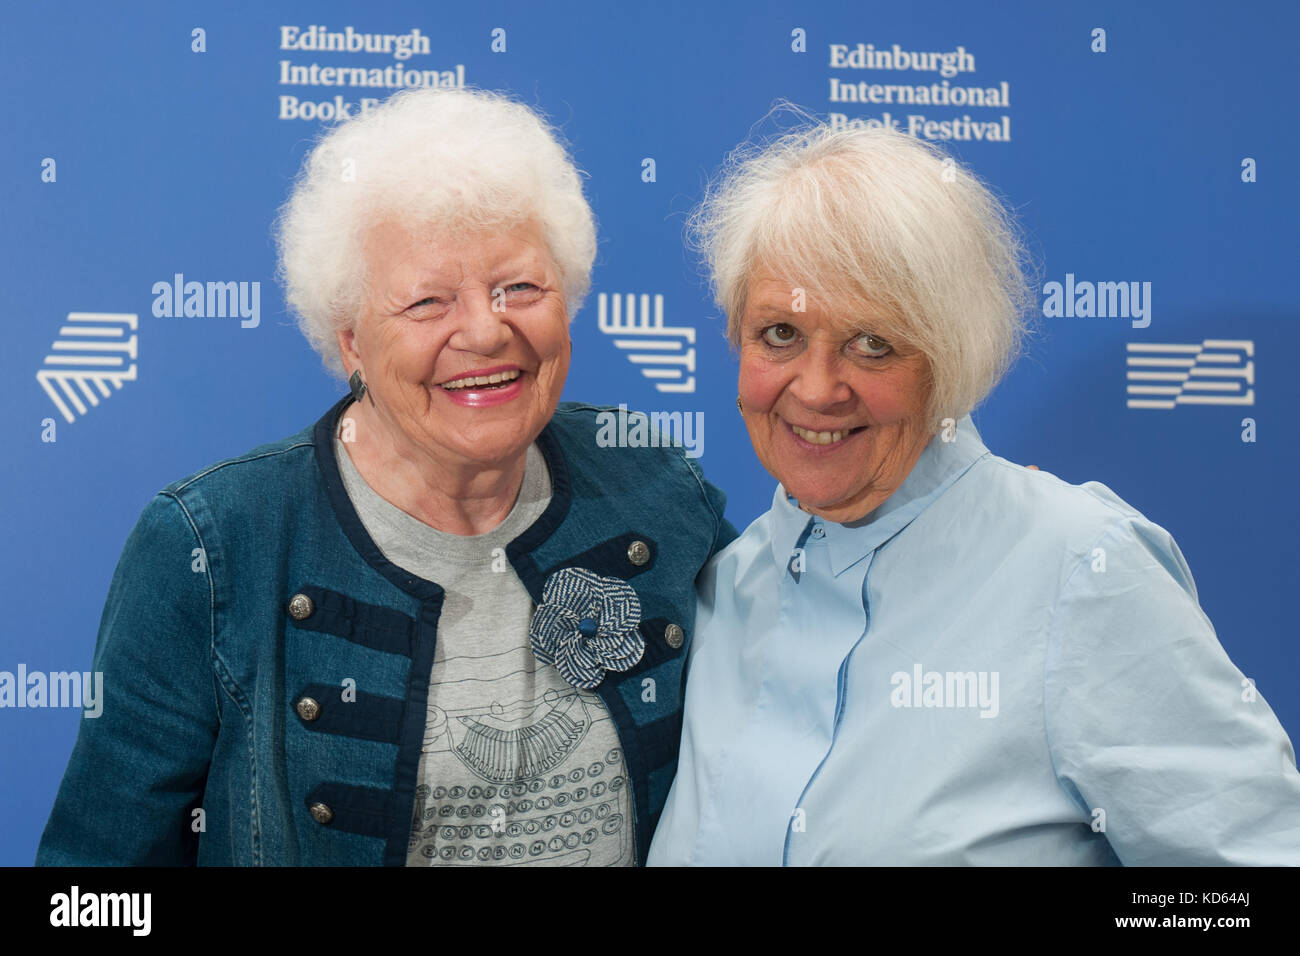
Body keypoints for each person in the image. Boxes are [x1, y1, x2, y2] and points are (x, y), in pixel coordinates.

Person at [37, 87, 733, 867]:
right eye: (428, 301)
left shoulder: (657, 485)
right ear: (351, 341)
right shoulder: (210, 547)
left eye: (521, 288)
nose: (484, 329)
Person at [648, 121, 1300, 865]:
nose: (819, 388)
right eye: (780, 333)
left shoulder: (1077, 570)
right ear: (735, 335)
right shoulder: (721, 587)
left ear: (948, 358)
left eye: (874, 343)